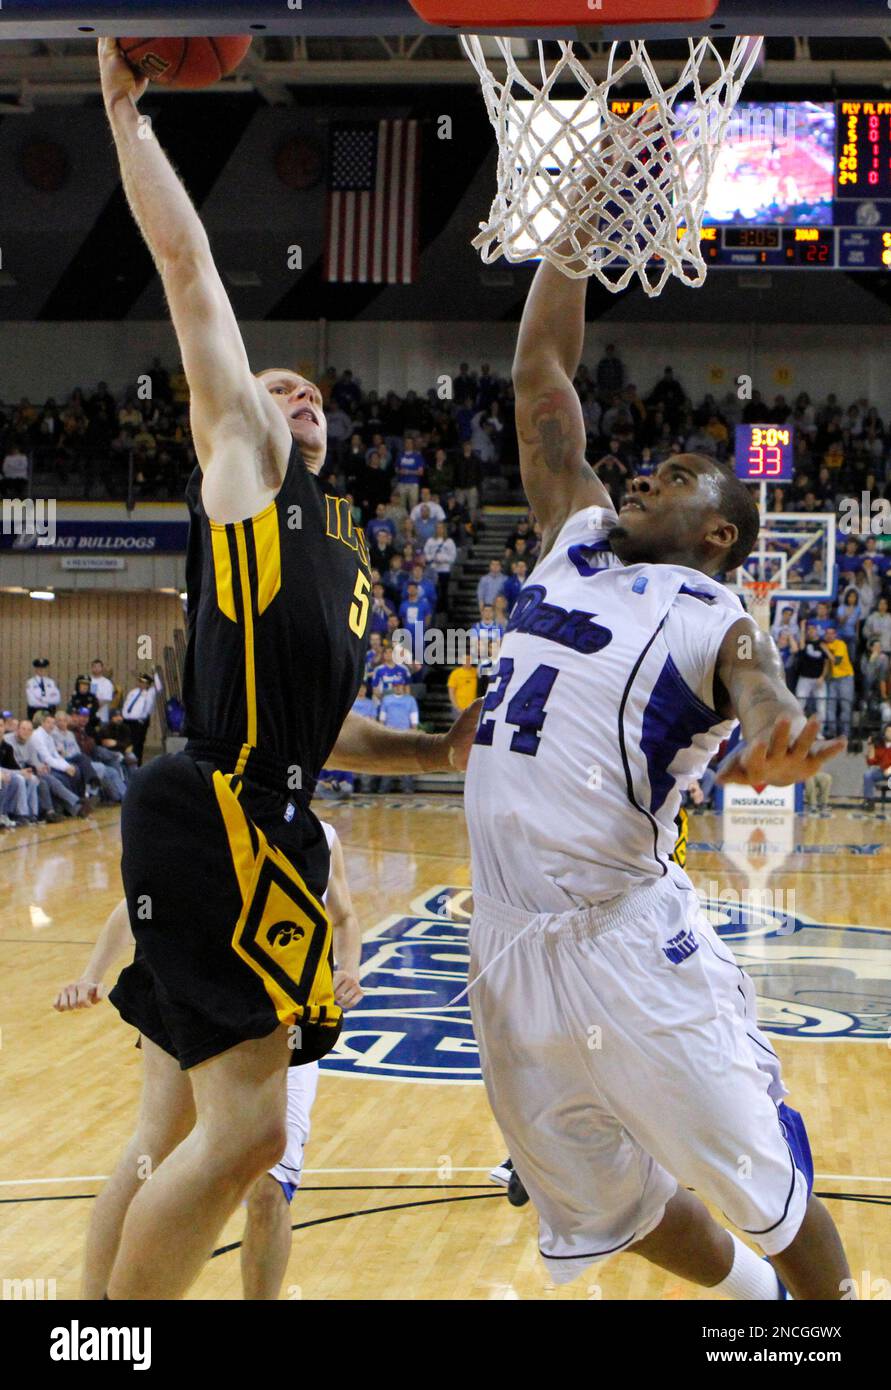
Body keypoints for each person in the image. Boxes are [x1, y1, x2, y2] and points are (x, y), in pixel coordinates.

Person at [94, 34, 478, 1304]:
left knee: (224, 1136)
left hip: (273, 815)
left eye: (310, 388)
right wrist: (127, 119)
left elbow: (328, 730)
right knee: (240, 1139)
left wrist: (426, 752)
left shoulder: (350, 549)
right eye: (274, 382)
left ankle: (102, 1328)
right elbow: (190, 270)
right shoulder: (244, 465)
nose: (294, 386)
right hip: (213, 807)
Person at [458, 204, 849, 1302]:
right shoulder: (577, 530)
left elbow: (762, 691)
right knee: (606, 1210)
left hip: (628, 946)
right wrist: (578, 225)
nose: (645, 475)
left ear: (719, 533)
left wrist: (773, 742)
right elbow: (541, 370)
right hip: (504, 945)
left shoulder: (716, 613)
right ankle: (754, 1312)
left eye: (678, 474)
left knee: (772, 1195)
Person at [56, 820, 364, 1301]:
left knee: (269, 1184)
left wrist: (349, 967)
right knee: (150, 1154)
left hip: (288, 1016)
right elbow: (137, 902)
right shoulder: (206, 814)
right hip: (204, 1006)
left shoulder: (319, 835)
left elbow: (342, 915)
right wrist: (91, 973)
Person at [120, 672, 160, 765]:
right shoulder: (133, 692)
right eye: (139, 681)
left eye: (143, 682)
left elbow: (159, 686)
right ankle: (126, 763)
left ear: (148, 684)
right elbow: (127, 704)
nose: (140, 684)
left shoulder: (150, 693)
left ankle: (137, 764)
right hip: (127, 721)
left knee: (137, 744)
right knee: (126, 742)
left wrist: (155, 674)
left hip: (139, 722)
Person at [863, 726, 891, 808]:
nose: (890, 733)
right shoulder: (879, 745)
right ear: (884, 733)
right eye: (888, 731)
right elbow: (871, 762)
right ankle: (870, 801)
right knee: (867, 775)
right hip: (882, 771)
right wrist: (870, 745)